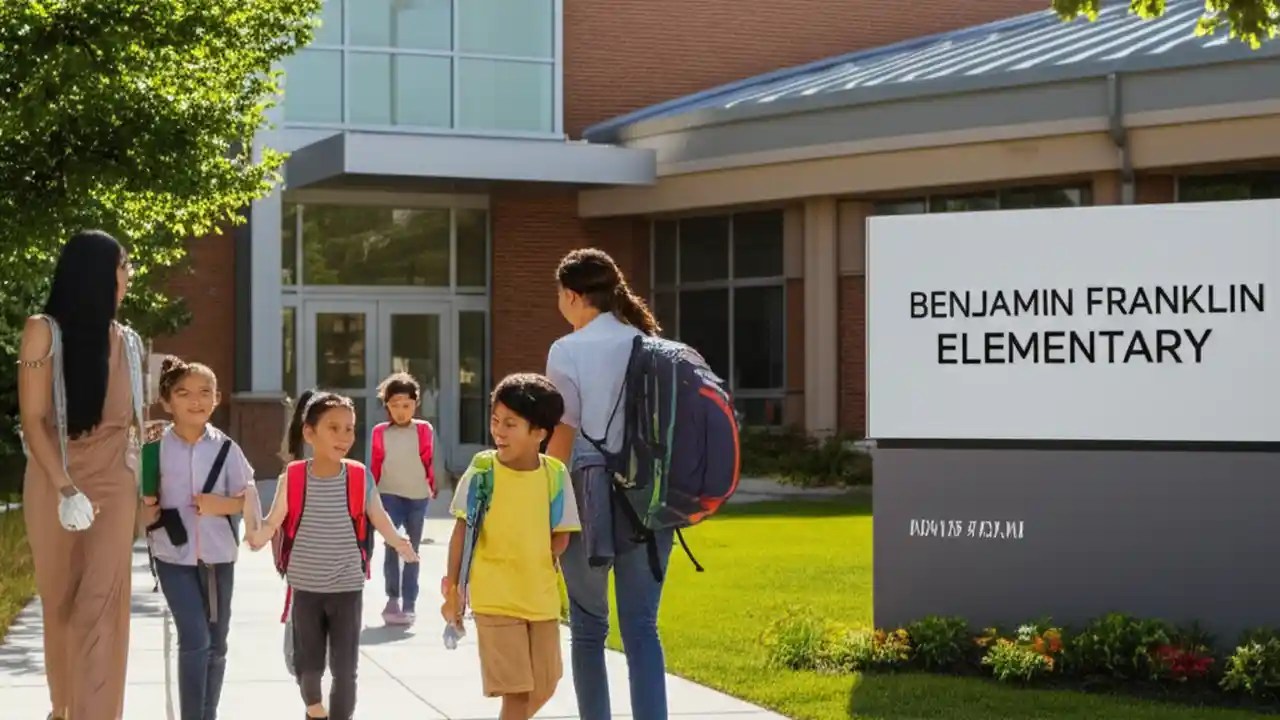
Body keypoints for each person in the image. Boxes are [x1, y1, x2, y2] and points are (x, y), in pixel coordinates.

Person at [16, 229, 147, 720]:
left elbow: (131, 424)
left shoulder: (128, 342)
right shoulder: (42, 331)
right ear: (97, 271)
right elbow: (33, 421)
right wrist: (66, 487)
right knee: (61, 603)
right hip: (56, 479)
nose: (128, 275)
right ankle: (64, 709)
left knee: (102, 607)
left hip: (114, 483)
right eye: (123, 265)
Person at [543, 248, 671, 720]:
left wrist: (547, 505)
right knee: (642, 628)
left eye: (560, 293)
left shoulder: (567, 350)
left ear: (574, 296)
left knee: (590, 628)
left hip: (588, 496)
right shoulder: (649, 341)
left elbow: (564, 432)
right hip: (650, 502)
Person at [247, 391, 419, 720]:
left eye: (350, 429)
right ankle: (315, 711)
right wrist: (258, 536)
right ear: (309, 433)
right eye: (334, 428)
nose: (344, 437)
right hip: (306, 587)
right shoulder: (294, 477)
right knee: (308, 667)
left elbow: (378, 516)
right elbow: (274, 520)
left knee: (345, 670)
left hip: (347, 586)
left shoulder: (358, 475)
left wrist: (399, 542)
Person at [442, 373, 581, 720]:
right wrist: (453, 588)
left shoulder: (554, 475)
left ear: (540, 433)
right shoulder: (483, 470)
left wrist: (544, 552)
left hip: (540, 598)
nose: (499, 431)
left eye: (510, 423)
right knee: (517, 693)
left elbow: (562, 533)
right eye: (495, 421)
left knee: (546, 683)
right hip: (495, 597)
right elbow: (462, 530)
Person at [142, 356, 257, 720]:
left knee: (217, 643)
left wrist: (220, 504)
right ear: (167, 402)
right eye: (184, 393)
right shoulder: (154, 451)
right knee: (195, 639)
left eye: (205, 392)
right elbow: (140, 507)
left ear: (217, 398)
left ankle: (208, 714)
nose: (196, 400)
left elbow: (248, 500)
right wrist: (143, 512)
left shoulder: (226, 449)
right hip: (173, 557)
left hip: (219, 558)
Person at [369, 372, 437, 626]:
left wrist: (432, 486)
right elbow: (375, 464)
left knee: (412, 551)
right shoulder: (379, 432)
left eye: (406, 405)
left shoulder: (423, 430)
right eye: (394, 405)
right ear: (386, 405)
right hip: (389, 495)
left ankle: (410, 602)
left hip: (418, 497)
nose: (400, 411)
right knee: (392, 545)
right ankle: (392, 598)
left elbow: (428, 460)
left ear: (415, 404)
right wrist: (371, 494)